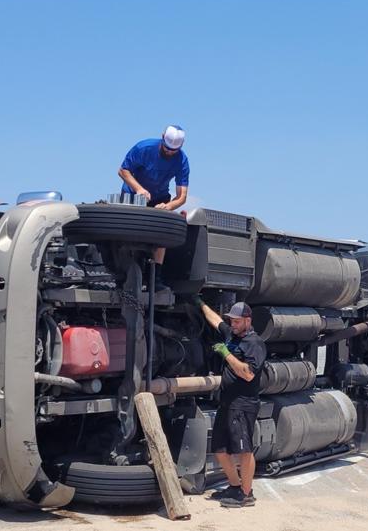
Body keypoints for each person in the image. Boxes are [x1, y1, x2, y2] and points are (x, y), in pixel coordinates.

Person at [192, 298, 266, 508]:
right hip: (227, 402)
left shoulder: (255, 343)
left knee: (244, 450)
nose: (232, 324)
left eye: (236, 321)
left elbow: (248, 374)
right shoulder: (230, 333)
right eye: (231, 321)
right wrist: (200, 303)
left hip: (243, 404)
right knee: (219, 448)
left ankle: (246, 493)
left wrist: (226, 354)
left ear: (247, 320)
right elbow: (215, 320)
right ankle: (234, 486)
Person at [117, 125, 190, 279]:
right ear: (162, 137)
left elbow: (182, 196)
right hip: (132, 196)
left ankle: (155, 276)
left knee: (161, 234)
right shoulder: (144, 148)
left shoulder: (182, 161)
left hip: (159, 198)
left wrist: (168, 206)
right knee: (127, 232)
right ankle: (123, 269)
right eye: (167, 148)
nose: (169, 152)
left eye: (173, 150)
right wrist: (139, 189)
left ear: (181, 146)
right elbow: (123, 171)